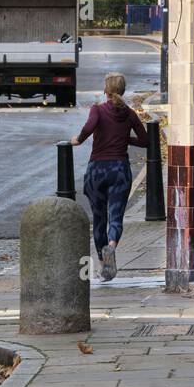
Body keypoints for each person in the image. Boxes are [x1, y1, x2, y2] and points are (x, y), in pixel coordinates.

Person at [71, 73, 147, 280]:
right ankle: (111, 246)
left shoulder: (97, 109)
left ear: (106, 90)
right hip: (120, 171)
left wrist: (78, 140)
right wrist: (123, 139)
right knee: (115, 217)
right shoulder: (130, 114)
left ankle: (104, 264)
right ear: (122, 90)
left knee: (99, 219)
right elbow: (145, 140)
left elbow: (88, 127)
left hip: (97, 170)